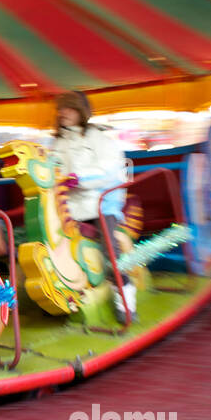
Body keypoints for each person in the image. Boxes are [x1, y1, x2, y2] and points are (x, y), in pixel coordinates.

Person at [51, 90, 137, 318]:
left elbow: (109, 171)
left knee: (110, 249)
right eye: (61, 109)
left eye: (68, 108)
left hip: (99, 203)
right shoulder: (59, 142)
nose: (63, 113)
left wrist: (78, 178)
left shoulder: (98, 139)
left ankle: (125, 300)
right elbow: (53, 167)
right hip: (70, 205)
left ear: (81, 111)